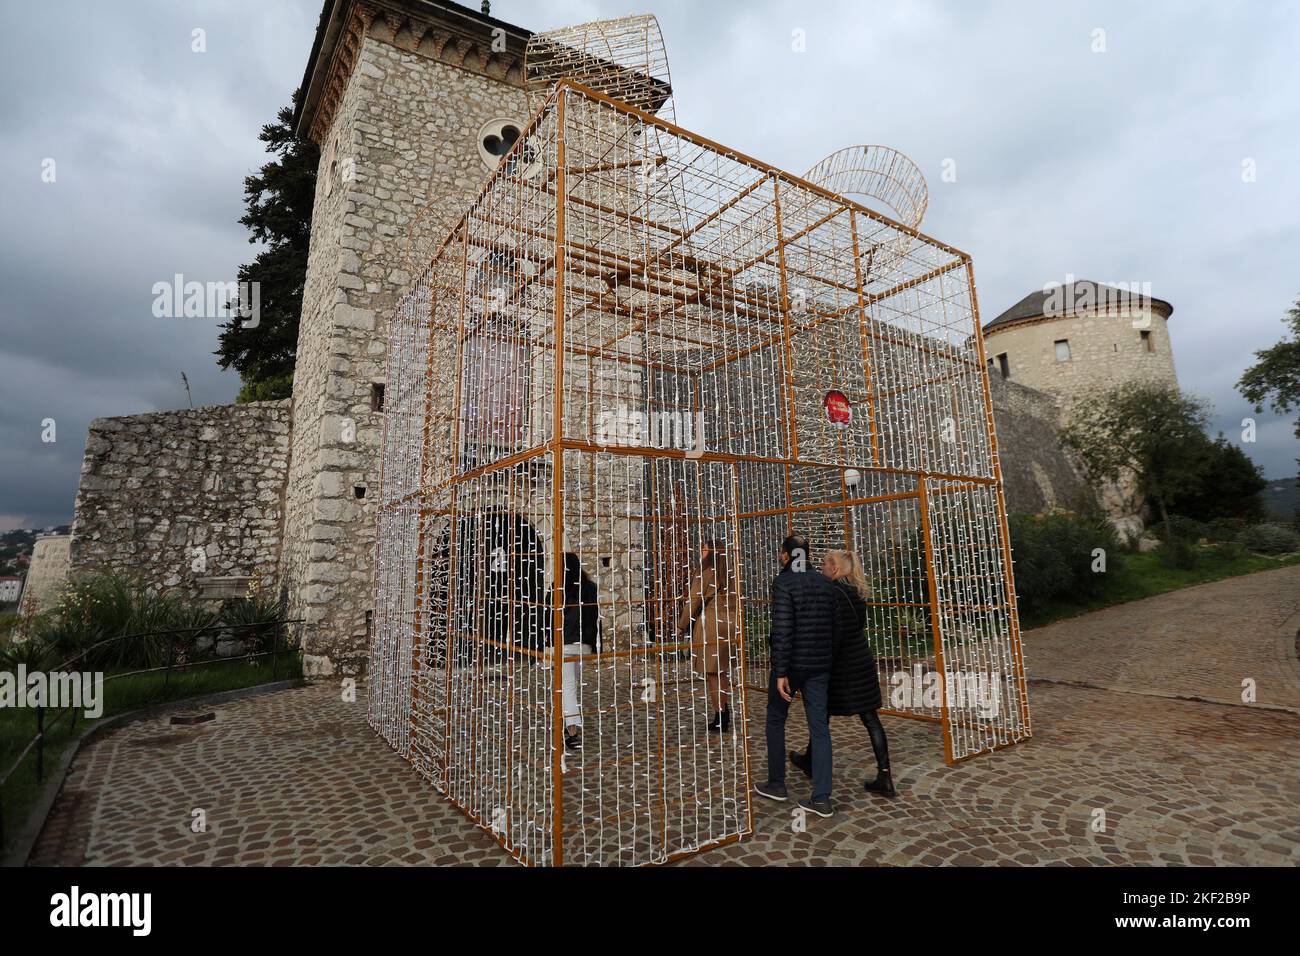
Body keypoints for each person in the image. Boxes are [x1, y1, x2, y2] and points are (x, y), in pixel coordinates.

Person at [790, 549, 896, 798]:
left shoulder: (831, 593)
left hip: (841, 666)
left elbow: (828, 632)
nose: (822, 566)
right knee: (869, 718)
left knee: (821, 715)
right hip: (861, 661)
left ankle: (812, 764)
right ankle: (884, 774)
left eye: (826, 563)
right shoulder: (857, 592)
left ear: (835, 569)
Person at [754, 533, 838, 818]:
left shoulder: (784, 583)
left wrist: (779, 672)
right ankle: (822, 797)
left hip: (791, 668)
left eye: (781, 553)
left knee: (776, 720)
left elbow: (782, 629)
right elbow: (834, 627)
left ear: (787, 555)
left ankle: (777, 783)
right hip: (820, 666)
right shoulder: (825, 583)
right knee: (820, 728)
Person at [676, 539, 740, 732]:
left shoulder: (706, 573)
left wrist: (681, 626)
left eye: (704, 551)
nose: (701, 554)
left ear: (711, 553)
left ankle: (721, 715)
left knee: (712, 673)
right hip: (729, 624)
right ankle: (724, 712)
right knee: (722, 672)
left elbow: (693, 602)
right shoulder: (728, 574)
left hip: (711, 625)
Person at [559, 552, 600, 750]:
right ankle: (568, 720)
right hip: (583, 645)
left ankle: (572, 731)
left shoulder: (559, 589)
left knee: (567, 686)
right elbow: (595, 618)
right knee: (572, 684)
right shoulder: (590, 588)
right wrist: (594, 645)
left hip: (565, 645)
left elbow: (548, 618)